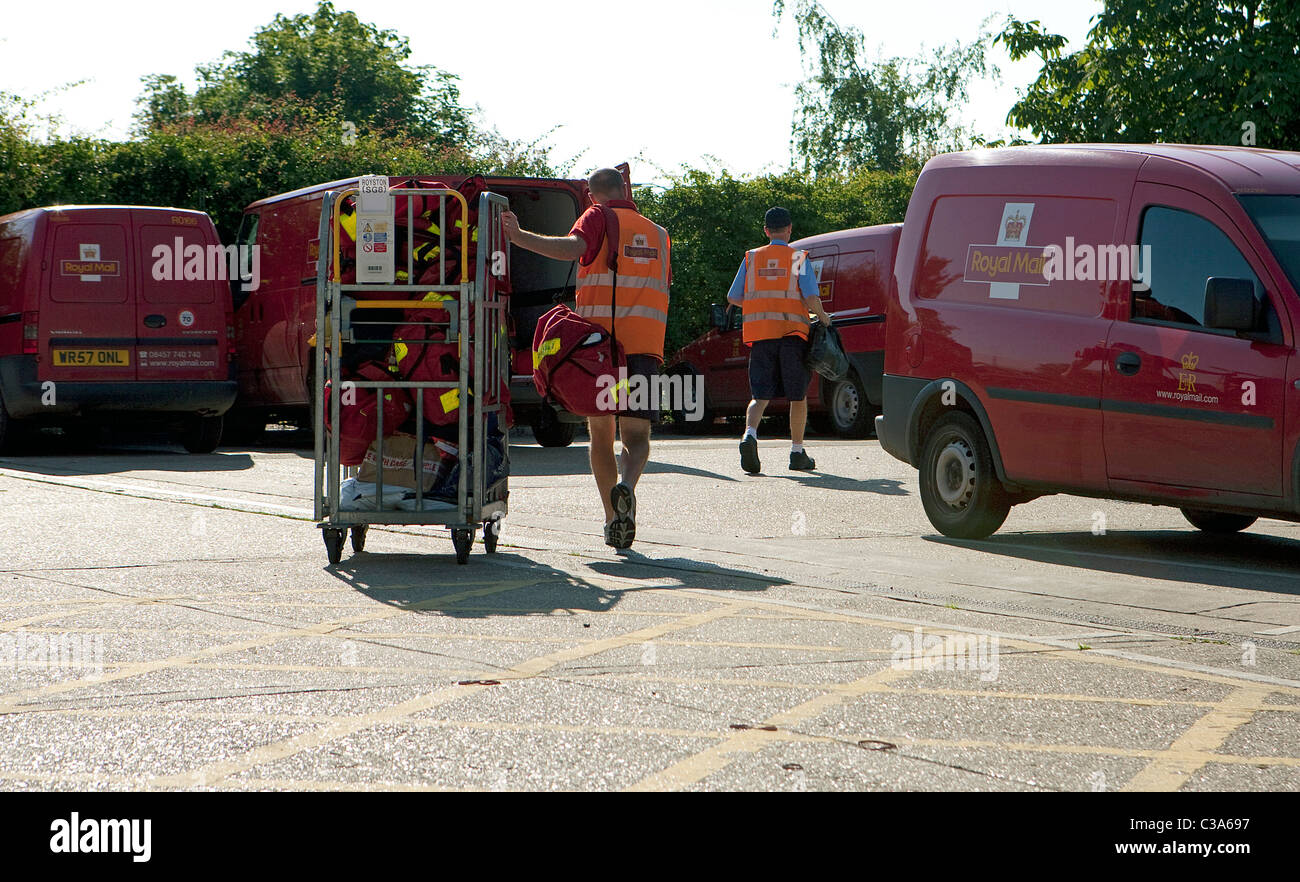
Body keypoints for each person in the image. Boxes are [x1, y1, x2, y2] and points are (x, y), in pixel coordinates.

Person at [502, 168, 671, 549]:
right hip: (645, 349)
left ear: (593, 196)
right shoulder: (660, 234)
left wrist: (519, 237)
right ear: (625, 189)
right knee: (638, 438)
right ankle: (626, 486)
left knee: (600, 436)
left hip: (602, 350)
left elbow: (572, 248)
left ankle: (612, 519)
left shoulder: (597, 216)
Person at [726, 206, 833, 474]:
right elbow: (810, 296)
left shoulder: (751, 258)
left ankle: (749, 435)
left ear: (765, 231)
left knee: (760, 395)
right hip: (792, 335)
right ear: (789, 229)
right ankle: (797, 453)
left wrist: (759, 306)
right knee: (798, 397)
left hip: (761, 336)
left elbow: (733, 297)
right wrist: (822, 317)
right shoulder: (797, 257)